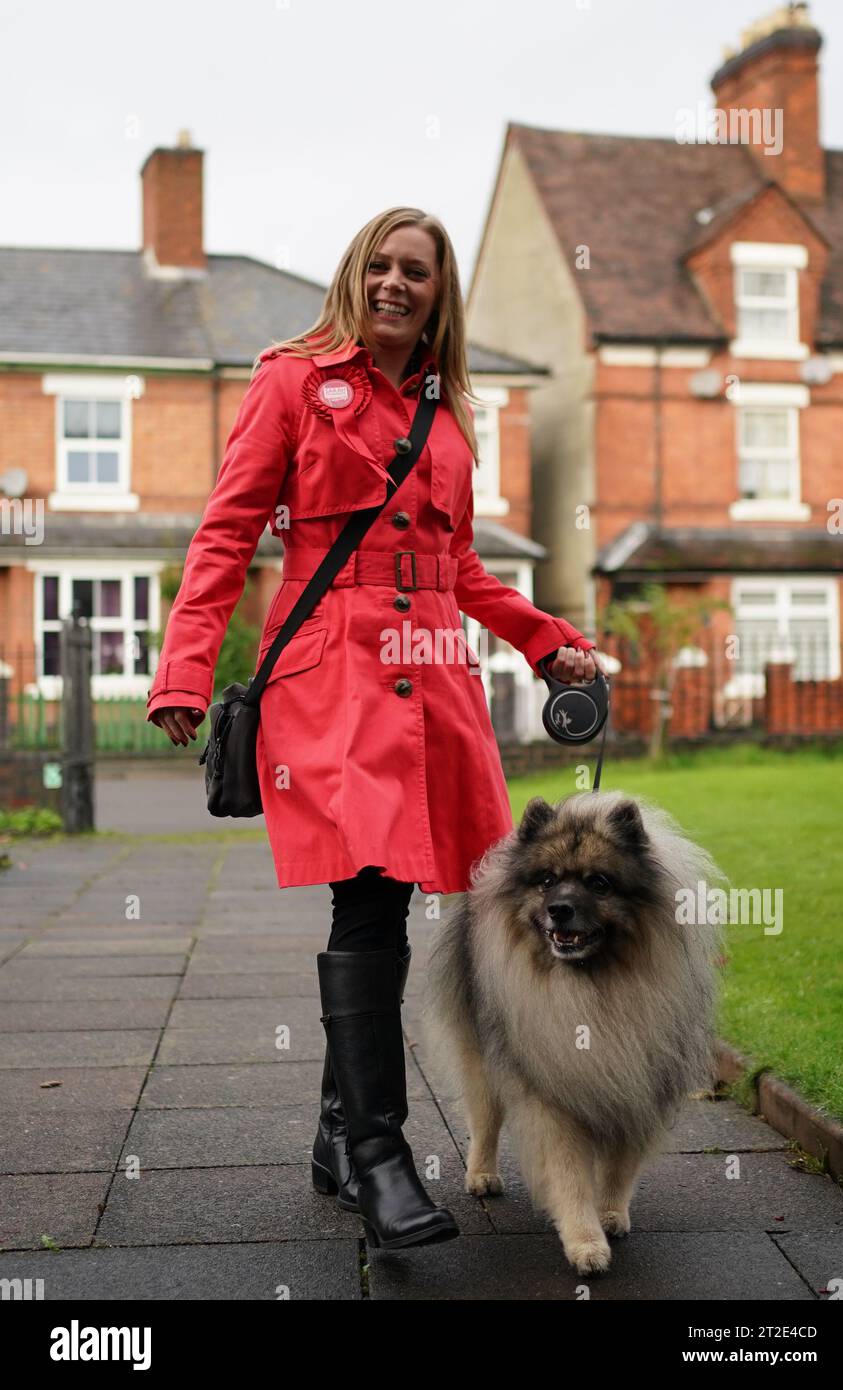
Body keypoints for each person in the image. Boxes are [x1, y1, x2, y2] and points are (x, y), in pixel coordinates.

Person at [147, 206, 601, 1251]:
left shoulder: (447, 414)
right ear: (357, 273)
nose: (397, 284)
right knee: (367, 901)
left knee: (391, 902)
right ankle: (382, 1155)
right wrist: (184, 667)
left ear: (439, 295)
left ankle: (336, 1136)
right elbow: (224, 529)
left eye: (419, 273)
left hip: (433, 681)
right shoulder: (293, 381)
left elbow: (462, 567)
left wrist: (544, 643)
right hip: (334, 683)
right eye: (383, 266)